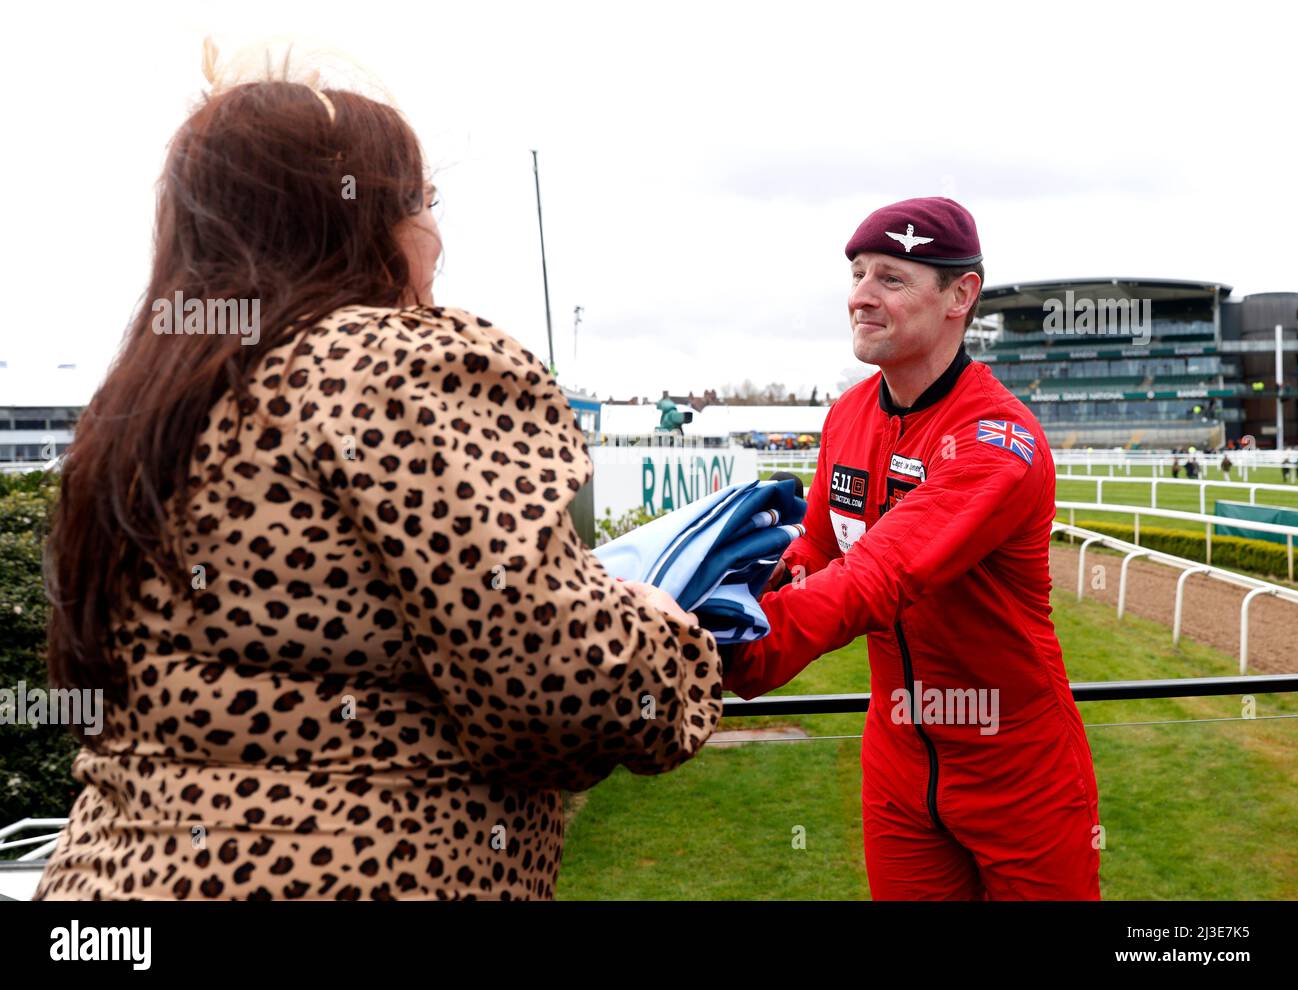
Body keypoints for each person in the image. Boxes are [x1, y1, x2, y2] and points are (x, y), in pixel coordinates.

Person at [35, 43, 722, 901]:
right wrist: (667, 636)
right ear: (354, 218)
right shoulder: (399, 365)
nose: (436, 233)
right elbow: (556, 687)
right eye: (424, 202)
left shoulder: (146, 397)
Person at [721, 197, 1100, 900]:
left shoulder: (996, 441)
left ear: (961, 294)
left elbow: (881, 573)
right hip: (896, 766)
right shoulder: (848, 413)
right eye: (857, 274)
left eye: (890, 278)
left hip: (1020, 771)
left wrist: (727, 655)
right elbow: (821, 548)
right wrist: (729, 596)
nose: (860, 297)